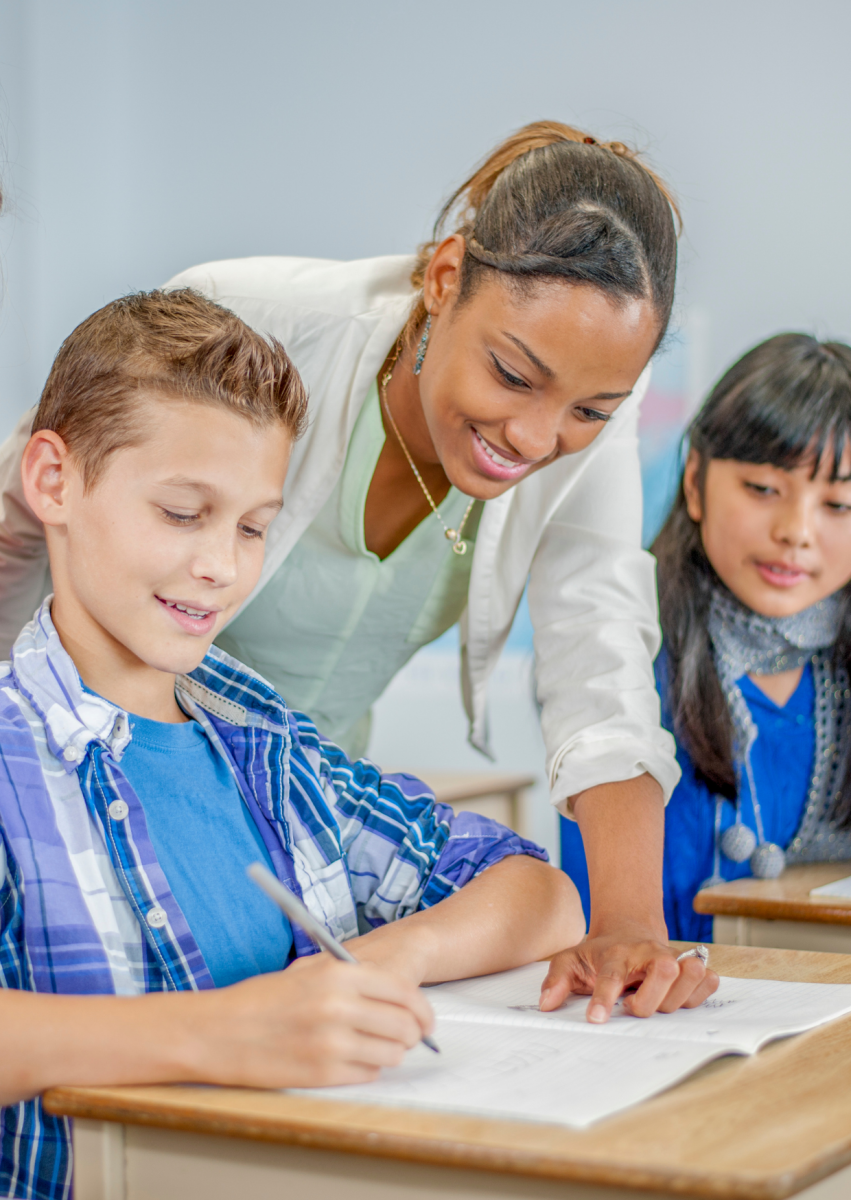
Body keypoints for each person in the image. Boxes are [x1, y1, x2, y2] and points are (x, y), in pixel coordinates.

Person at [0, 120, 712, 1018]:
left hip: (274, 782)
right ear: (445, 278)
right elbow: (28, 514)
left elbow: (600, 669)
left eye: (591, 410)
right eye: (510, 372)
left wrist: (624, 922)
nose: (538, 437)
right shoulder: (251, 326)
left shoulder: (280, 759)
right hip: (102, 735)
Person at [0, 290, 585, 1200]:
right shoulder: (10, 758)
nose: (223, 567)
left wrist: (387, 961)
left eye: (252, 527)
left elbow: (539, 893)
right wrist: (225, 1030)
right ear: (53, 481)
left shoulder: (263, 744)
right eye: (183, 512)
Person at [561, 334, 851, 940]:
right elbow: (599, 925)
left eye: (839, 503)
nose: (796, 532)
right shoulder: (621, 661)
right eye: (764, 489)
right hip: (672, 1012)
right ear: (695, 480)